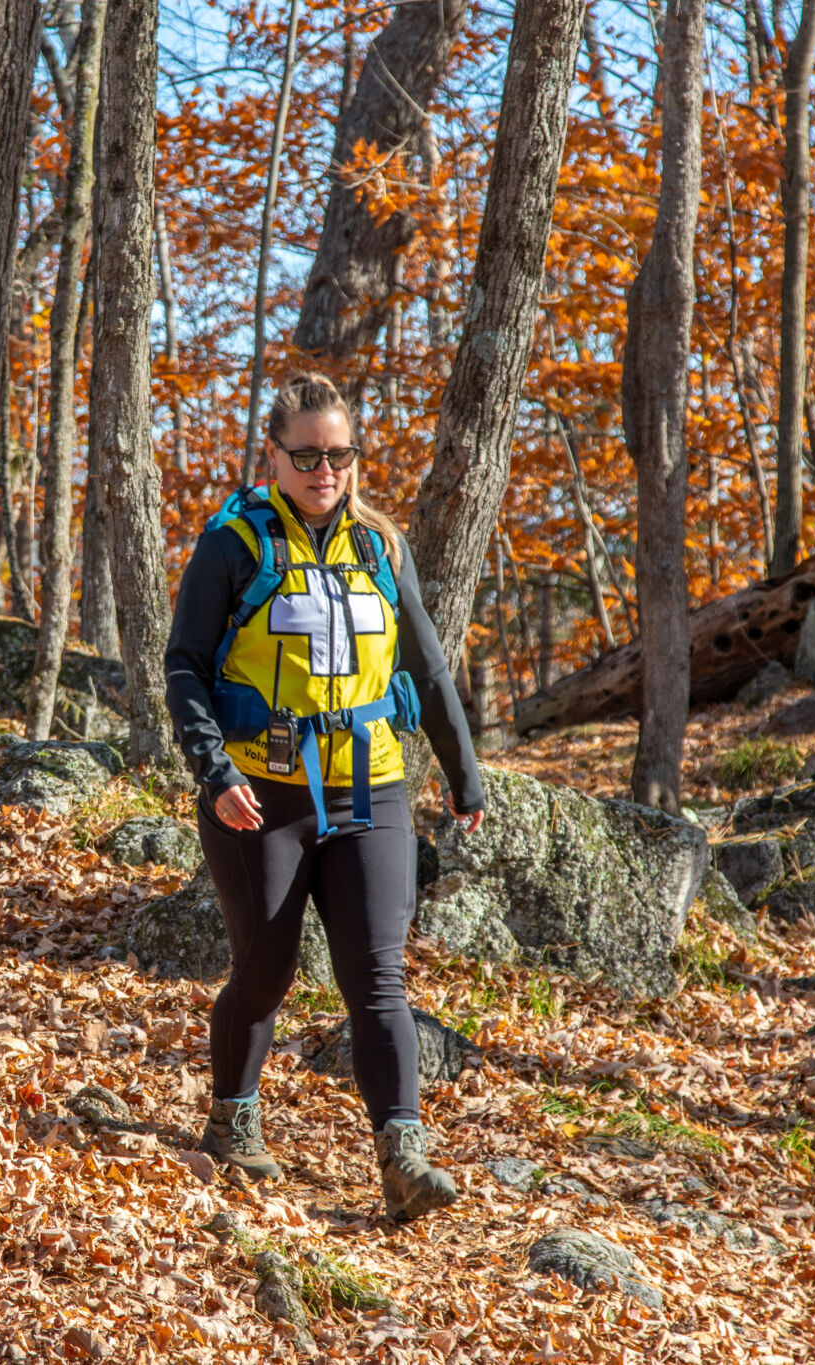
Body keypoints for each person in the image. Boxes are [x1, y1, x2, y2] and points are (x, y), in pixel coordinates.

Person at [162, 371, 485, 1221]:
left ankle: (403, 1155)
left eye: (339, 453)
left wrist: (462, 772)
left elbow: (423, 662)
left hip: (371, 784)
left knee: (378, 978)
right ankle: (231, 1117)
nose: (324, 469)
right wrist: (214, 770)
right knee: (265, 972)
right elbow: (185, 668)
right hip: (258, 793)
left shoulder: (381, 548)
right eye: (306, 454)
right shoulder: (235, 545)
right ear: (273, 454)